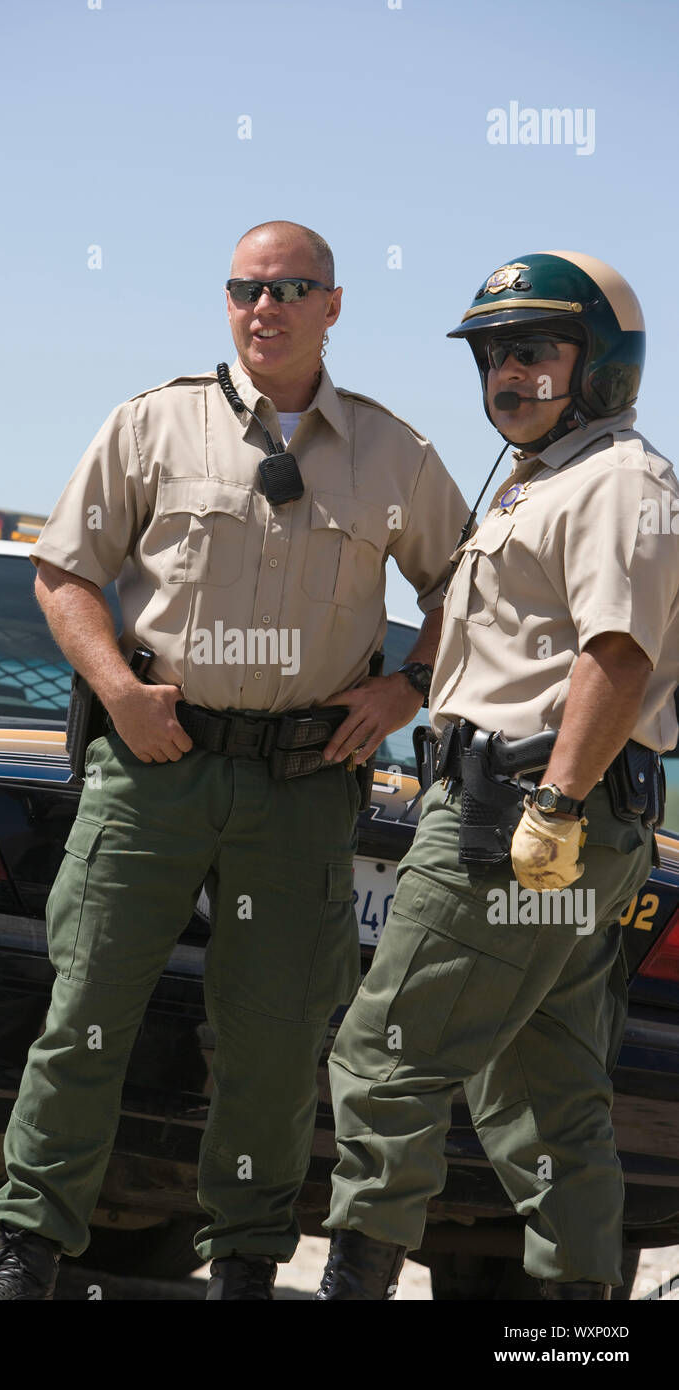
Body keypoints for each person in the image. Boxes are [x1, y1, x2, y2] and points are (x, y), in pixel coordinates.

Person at [0, 220, 469, 1300]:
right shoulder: (153, 424)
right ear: (226, 301)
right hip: (155, 764)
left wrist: (404, 685)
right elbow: (63, 572)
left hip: (297, 783)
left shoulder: (393, 454)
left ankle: (242, 1266)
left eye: (291, 288)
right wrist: (117, 691)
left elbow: (463, 590)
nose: (264, 307)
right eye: (245, 288)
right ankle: (26, 1254)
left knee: (276, 1038)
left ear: (332, 306)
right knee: (86, 1011)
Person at [316, 250, 679, 1302]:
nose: (504, 375)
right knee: (545, 1094)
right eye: (491, 355)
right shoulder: (545, 479)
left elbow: (617, 656)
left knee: (386, 1054)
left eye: (532, 351)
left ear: (600, 365)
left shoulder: (615, 478)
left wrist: (554, 806)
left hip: (518, 819)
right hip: (540, 819)